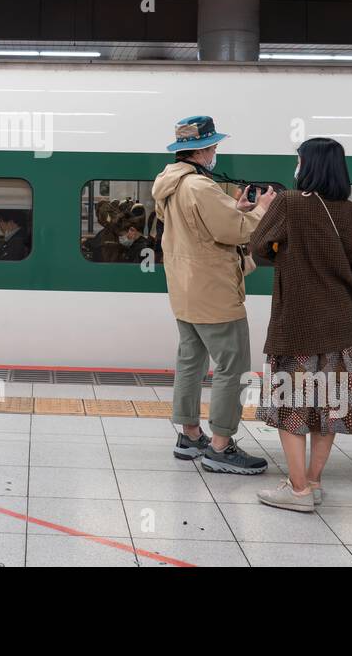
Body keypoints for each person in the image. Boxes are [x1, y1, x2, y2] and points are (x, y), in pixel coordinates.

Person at [250, 137, 352, 512]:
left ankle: (298, 490)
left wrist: (265, 211)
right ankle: (315, 481)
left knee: (293, 405)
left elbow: (258, 246)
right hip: (339, 328)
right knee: (328, 409)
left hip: (297, 326)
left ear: (309, 166)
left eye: (299, 160)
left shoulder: (289, 203)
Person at [152, 115, 275, 474]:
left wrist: (235, 209)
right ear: (203, 149)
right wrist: (262, 211)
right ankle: (221, 445)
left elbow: (203, 228)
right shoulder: (201, 188)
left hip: (185, 290)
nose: (216, 151)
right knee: (231, 367)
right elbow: (236, 233)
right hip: (215, 292)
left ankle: (190, 435)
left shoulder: (170, 184)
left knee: (190, 361)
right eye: (214, 146)